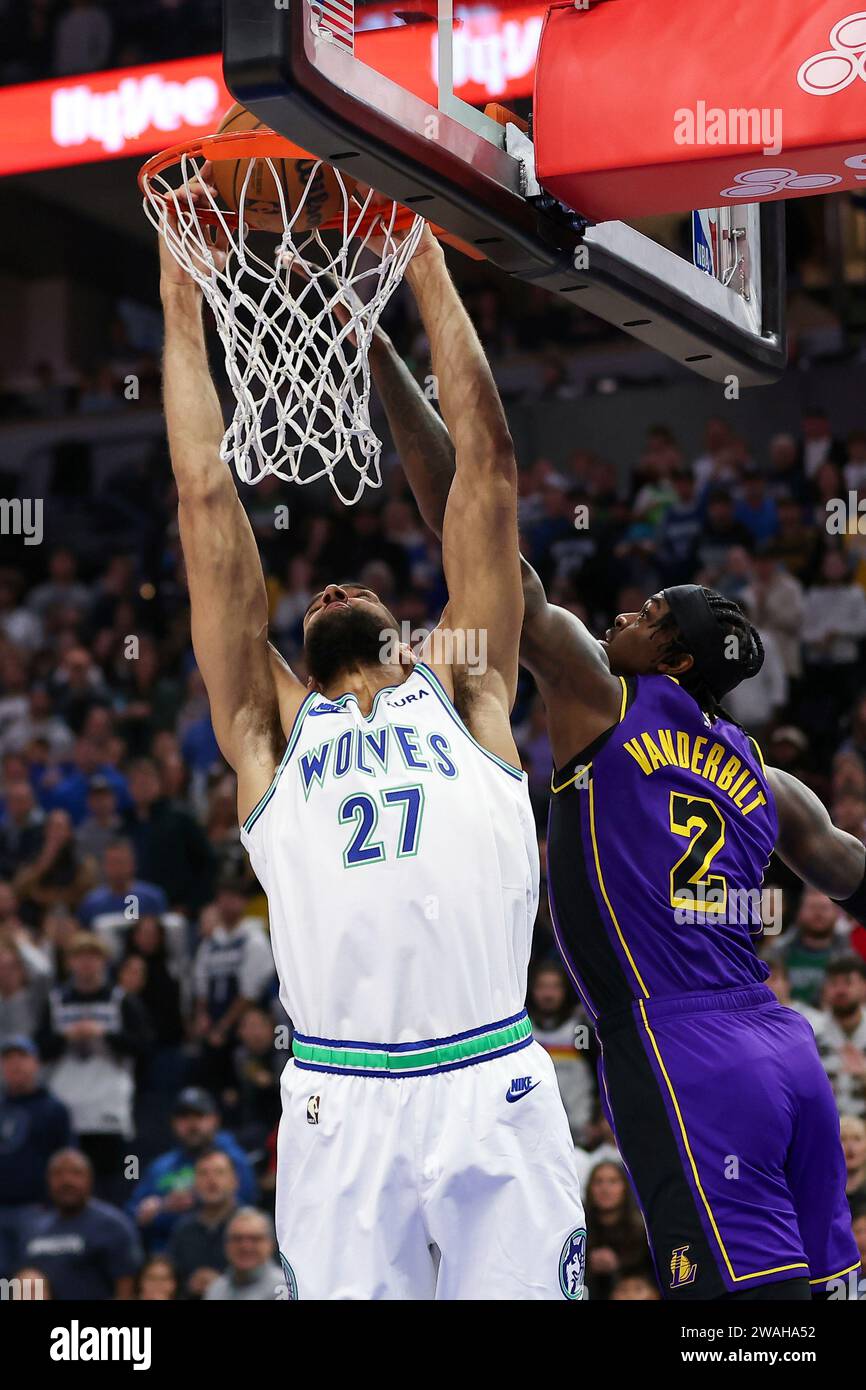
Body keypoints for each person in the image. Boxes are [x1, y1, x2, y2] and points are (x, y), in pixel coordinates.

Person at [382, 319, 865, 1301]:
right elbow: (853, 870)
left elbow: (473, 536)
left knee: (736, 1319)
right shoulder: (770, 783)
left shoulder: (598, 694)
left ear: (674, 659)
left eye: (650, 617)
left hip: (680, 1047)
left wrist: (378, 359)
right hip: (783, 1051)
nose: (625, 613)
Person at [157, 203, 584, 1301]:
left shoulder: (466, 684)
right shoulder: (267, 728)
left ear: (406, 634)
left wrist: (427, 264)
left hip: (489, 1072)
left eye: (362, 589)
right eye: (320, 593)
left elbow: (484, 468)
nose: (336, 587)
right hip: (339, 1097)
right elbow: (206, 494)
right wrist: (179, 299)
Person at [126, 1087, 257, 1252]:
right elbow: (133, 1212)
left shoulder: (232, 1159)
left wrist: (186, 1203)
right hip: (165, 1259)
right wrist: (160, 1208)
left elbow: (245, 1206)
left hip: (222, 1251)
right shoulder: (161, 1165)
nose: (192, 1124)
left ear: (215, 1119)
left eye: (199, 1116)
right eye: (184, 1117)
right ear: (173, 1123)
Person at [17, 1149, 142, 1300]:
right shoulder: (32, 1228)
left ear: (90, 1178)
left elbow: (126, 1291)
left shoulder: (113, 1226)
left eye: (76, 1173)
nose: (67, 1181)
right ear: (48, 1180)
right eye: (58, 1174)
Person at [0, 1037, 72, 1277]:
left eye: (22, 1057)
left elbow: (67, 1162)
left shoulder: (54, 1109)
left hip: (37, 1210)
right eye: (8, 1059)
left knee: (33, 1278)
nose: (15, 1064)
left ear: (37, 1063)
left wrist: (54, 1207)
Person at [166, 1149, 239, 1299]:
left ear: (235, 1180)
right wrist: (188, 1285)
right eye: (203, 1173)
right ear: (194, 1182)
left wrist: (223, 1284)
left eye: (219, 1172)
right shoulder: (183, 1229)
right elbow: (172, 1280)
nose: (211, 1180)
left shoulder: (253, 1228)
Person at [203, 1208, 282, 1302]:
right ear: (225, 1245)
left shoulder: (286, 1289)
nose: (245, 1247)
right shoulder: (215, 1291)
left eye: (255, 1239)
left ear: (271, 1244)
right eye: (237, 1239)